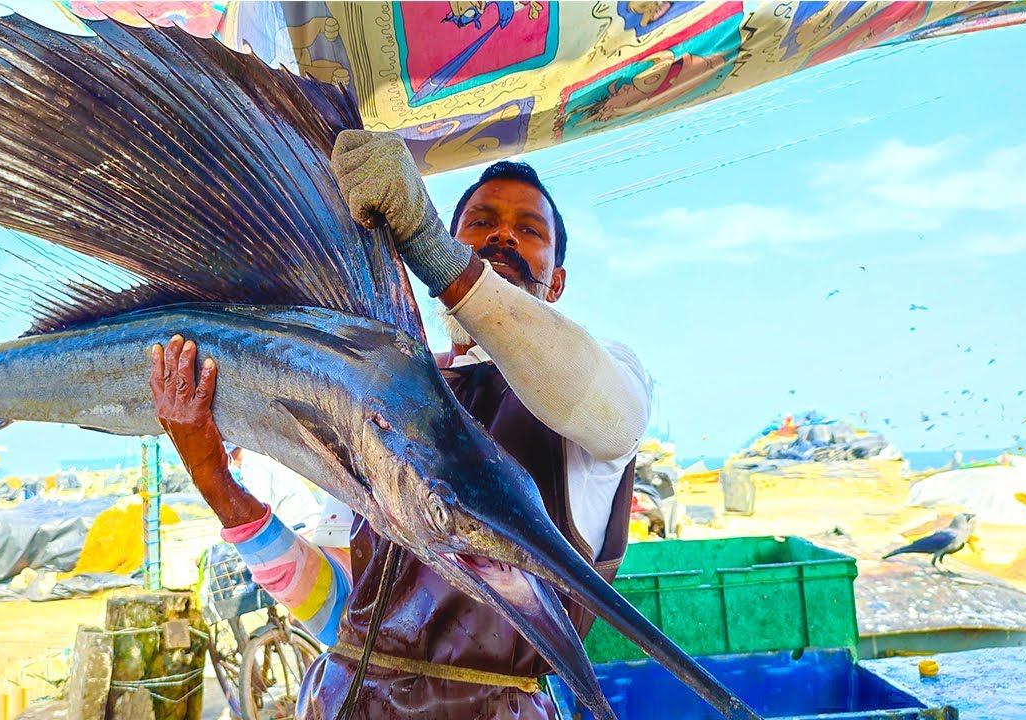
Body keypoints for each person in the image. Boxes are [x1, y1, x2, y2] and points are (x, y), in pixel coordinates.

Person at [149, 131, 650, 719]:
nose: (502, 235)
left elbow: (609, 413)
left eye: (529, 230)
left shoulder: (608, 375)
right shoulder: (381, 390)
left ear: (556, 283)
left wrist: (432, 248)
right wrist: (216, 485)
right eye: (481, 222)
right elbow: (338, 609)